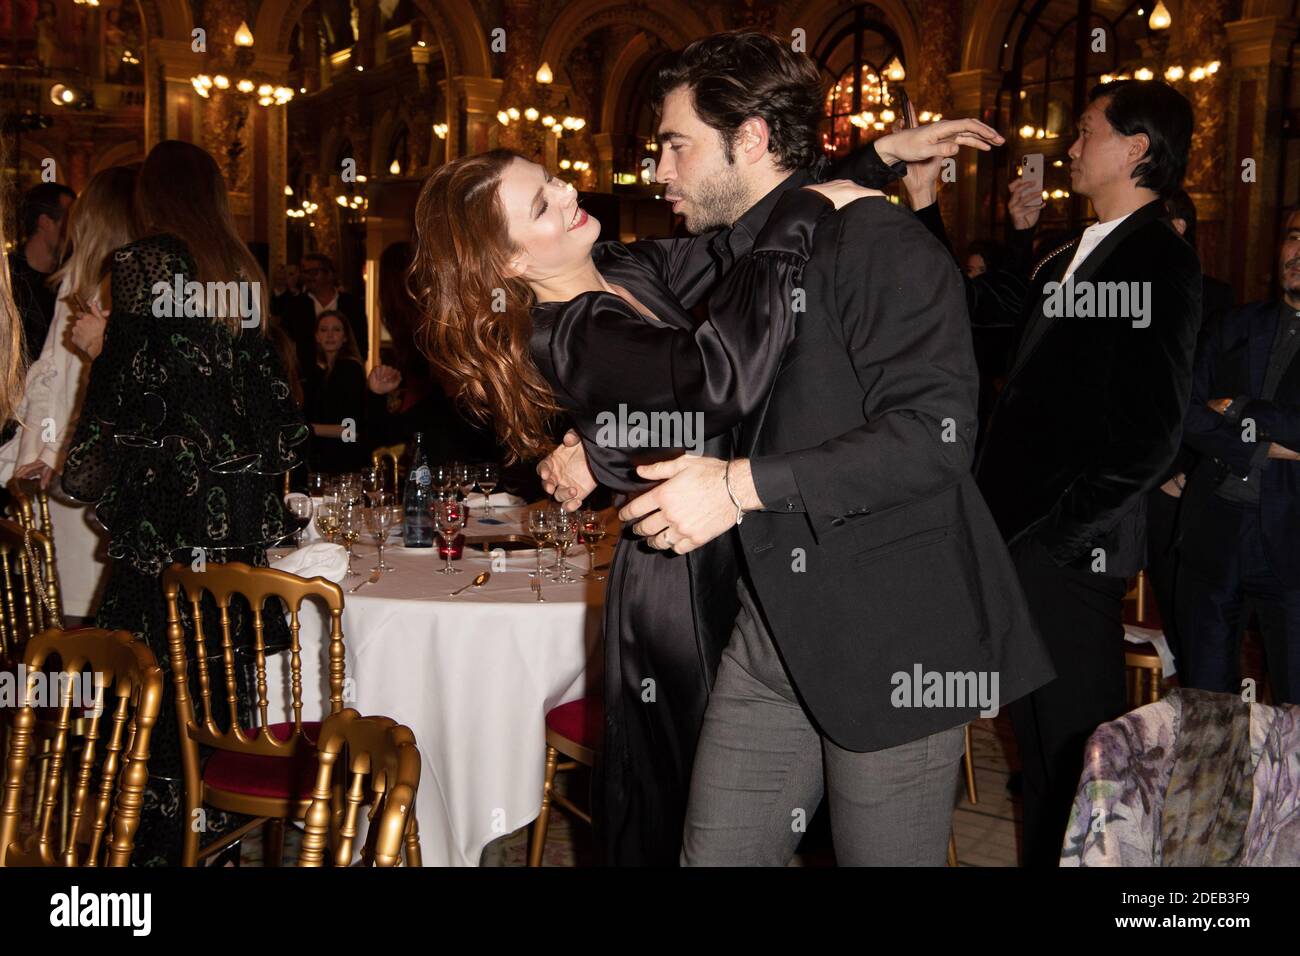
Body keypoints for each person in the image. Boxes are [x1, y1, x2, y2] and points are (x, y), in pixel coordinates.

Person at [539, 32, 1049, 866]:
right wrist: (600, 444)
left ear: (749, 138)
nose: (657, 170)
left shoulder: (878, 242)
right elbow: (701, 383)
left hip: (895, 635)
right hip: (772, 630)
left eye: (675, 144)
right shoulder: (739, 252)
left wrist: (737, 488)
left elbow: (934, 439)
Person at [973, 80, 1202, 866]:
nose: (1070, 147)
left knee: (1086, 768)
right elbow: (984, 324)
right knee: (1038, 757)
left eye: (1085, 132)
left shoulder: (1159, 258)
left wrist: (1059, 541)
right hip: (1018, 544)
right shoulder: (1067, 252)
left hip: (1067, 554)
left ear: (1136, 149)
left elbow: (1154, 434)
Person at [62, 140, 308, 865]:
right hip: (229, 543)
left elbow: (124, 399)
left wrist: (87, 458)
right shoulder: (239, 271)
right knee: (207, 700)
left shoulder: (144, 263)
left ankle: (149, 863)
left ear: (151, 200)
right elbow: (278, 420)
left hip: (166, 533)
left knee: (141, 707)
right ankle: (209, 845)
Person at [0, 165, 140, 619]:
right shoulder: (81, 281)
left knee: (98, 618)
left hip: (100, 472)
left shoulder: (131, 282)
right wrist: (45, 449)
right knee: (81, 617)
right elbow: (54, 377)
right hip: (77, 475)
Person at [1173, 206, 1300, 704]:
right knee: (1207, 704)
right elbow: (1184, 409)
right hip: (1214, 532)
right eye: (1292, 236)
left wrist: (1241, 408)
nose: (1298, 251)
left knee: (1294, 713)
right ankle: (1218, 787)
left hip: (1293, 543)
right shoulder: (1235, 324)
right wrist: (1265, 448)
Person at [1145, 190, 1238, 666]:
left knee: (1190, 618)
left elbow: (1212, 399)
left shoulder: (1217, 300)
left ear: (1178, 229)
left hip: (1177, 479)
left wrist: (1185, 472)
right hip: (1124, 474)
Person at [8, 182, 75, 365]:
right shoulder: (6, 276)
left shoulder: (72, 278)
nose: (76, 229)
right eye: (70, 221)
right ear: (45, 222)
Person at [303, 308, 370, 474]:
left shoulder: (348, 368)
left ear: (345, 337)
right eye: (324, 330)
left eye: (336, 330)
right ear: (317, 337)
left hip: (345, 462)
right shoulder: (323, 372)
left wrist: (307, 429)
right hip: (331, 458)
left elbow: (351, 430)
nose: (330, 335)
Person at [282, 253, 367, 372]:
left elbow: (361, 341)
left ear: (329, 274)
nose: (308, 277)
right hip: (307, 375)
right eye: (305, 272)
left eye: (314, 272)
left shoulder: (351, 304)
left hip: (345, 372)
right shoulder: (296, 306)